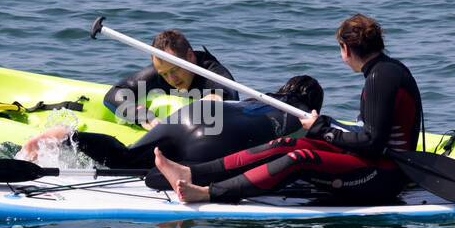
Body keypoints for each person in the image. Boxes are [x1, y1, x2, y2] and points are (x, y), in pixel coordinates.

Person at [154, 14, 423, 204]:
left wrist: (321, 130)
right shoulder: (387, 71)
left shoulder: (380, 78)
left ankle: (206, 193)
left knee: (301, 158)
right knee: (283, 144)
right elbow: (372, 135)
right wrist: (324, 126)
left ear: (346, 49)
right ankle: (191, 173)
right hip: (379, 164)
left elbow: (372, 142)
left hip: (385, 175)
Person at [21, 76, 323, 168]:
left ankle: (64, 137)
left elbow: (219, 100)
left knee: (126, 155)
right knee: (135, 168)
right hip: (212, 142)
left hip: (196, 115)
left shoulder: (262, 97)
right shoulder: (304, 118)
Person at [103, 30, 237, 125]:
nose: (171, 79)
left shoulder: (210, 71)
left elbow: (228, 89)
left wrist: (215, 97)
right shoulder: (161, 72)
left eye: (176, 69)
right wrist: (142, 115)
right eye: (164, 74)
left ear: (190, 55)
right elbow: (113, 94)